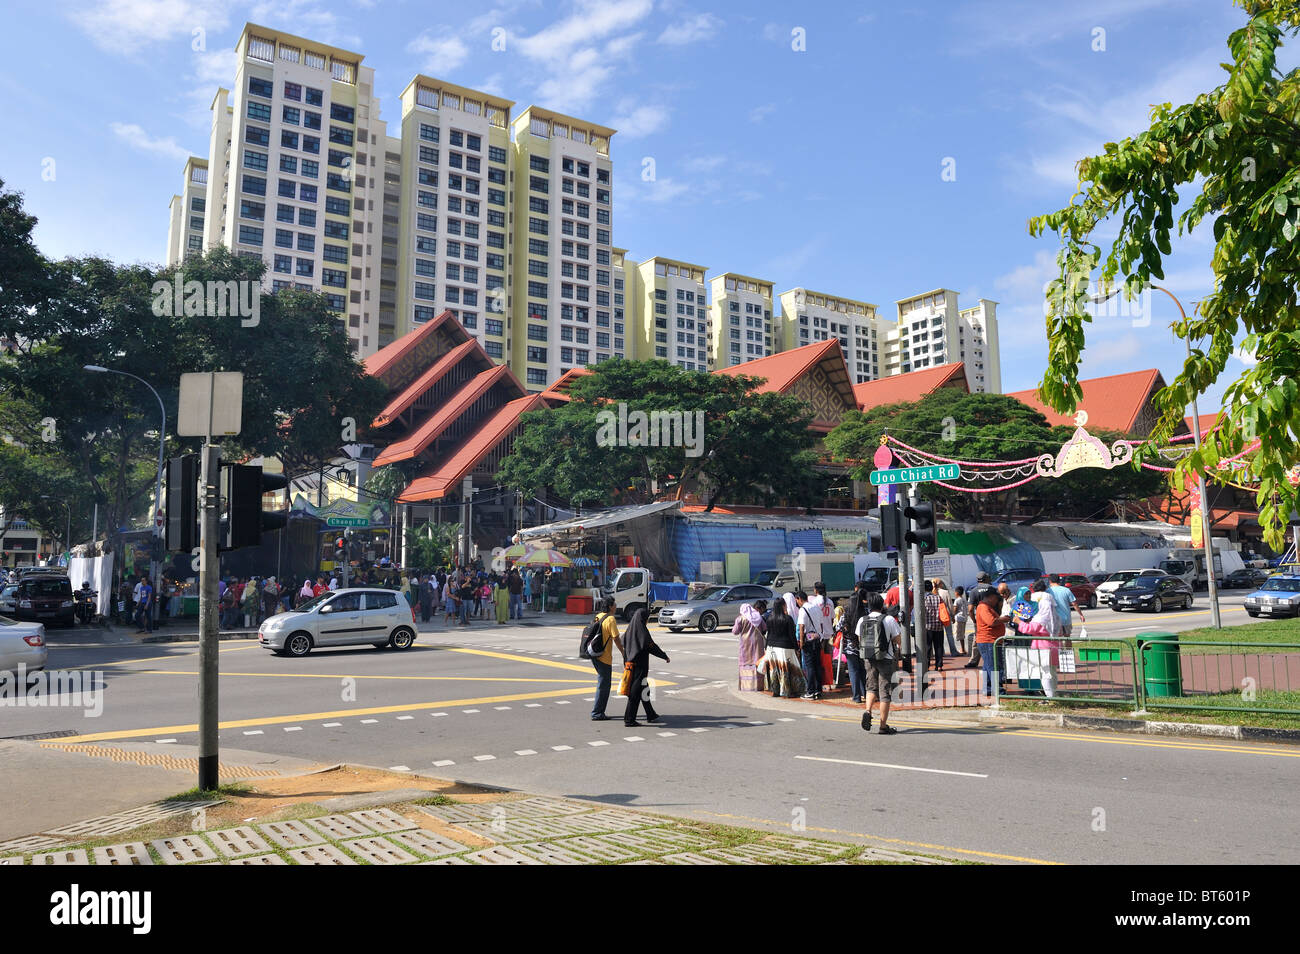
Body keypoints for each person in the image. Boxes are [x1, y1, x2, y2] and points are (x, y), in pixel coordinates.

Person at [859, 594, 903, 735]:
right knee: (885, 692)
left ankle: (868, 711)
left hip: (869, 657)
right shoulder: (888, 619)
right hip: (886, 658)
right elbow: (898, 640)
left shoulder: (862, 620)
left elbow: (860, 639)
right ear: (882, 605)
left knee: (871, 687)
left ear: (869, 606)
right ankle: (883, 726)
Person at [621, 606, 669, 726]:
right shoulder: (642, 630)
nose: (647, 621)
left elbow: (624, 645)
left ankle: (650, 714)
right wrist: (664, 656)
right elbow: (651, 646)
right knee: (635, 693)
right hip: (639, 666)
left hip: (630, 664)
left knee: (644, 689)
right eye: (646, 618)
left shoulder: (630, 629)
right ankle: (629, 719)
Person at [759, 599, 806, 698]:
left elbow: (769, 634)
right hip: (785, 647)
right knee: (786, 669)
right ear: (783, 606)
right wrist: (796, 648)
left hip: (772, 647)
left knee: (774, 670)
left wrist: (766, 647)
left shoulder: (770, 618)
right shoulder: (787, 619)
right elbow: (792, 635)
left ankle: (775, 690)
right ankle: (787, 691)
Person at [589, 597, 624, 721]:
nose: (615, 606)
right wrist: (624, 653)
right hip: (604, 657)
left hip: (594, 653)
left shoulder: (598, 616)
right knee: (604, 685)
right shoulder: (610, 619)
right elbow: (616, 639)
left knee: (602, 683)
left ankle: (598, 712)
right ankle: (597, 713)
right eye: (614, 604)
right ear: (610, 606)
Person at [975, 588, 1011, 700]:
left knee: (988, 665)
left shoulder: (986, 607)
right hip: (988, 641)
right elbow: (991, 622)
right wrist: (1004, 619)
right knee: (994, 666)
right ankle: (997, 689)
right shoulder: (983, 607)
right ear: (990, 597)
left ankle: (988, 688)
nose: (997, 601)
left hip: (990, 640)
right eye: (996, 598)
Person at [795, 590, 823, 701]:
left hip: (808, 641)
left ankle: (810, 691)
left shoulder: (803, 610)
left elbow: (801, 627)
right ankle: (818, 690)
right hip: (817, 639)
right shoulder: (816, 607)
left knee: (810, 666)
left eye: (796, 600)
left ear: (799, 599)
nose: (797, 603)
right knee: (817, 665)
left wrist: (801, 642)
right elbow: (820, 624)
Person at [733, 602, 767, 691]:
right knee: (757, 662)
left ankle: (747, 686)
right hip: (758, 645)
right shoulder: (758, 617)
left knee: (746, 663)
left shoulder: (740, 619)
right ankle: (759, 685)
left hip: (745, 645)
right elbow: (764, 628)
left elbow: (735, 631)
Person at [922, 579, 945, 672]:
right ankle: (939, 665)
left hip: (928, 626)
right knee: (939, 646)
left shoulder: (924, 598)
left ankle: (927, 665)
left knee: (927, 647)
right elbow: (943, 610)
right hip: (939, 625)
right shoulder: (938, 598)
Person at [953, 586, 970, 655]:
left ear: (956, 593)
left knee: (958, 634)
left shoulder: (957, 600)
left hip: (959, 618)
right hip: (964, 618)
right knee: (962, 634)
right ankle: (963, 648)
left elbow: (955, 609)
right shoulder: (964, 599)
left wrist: (952, 616)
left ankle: (962, 649)